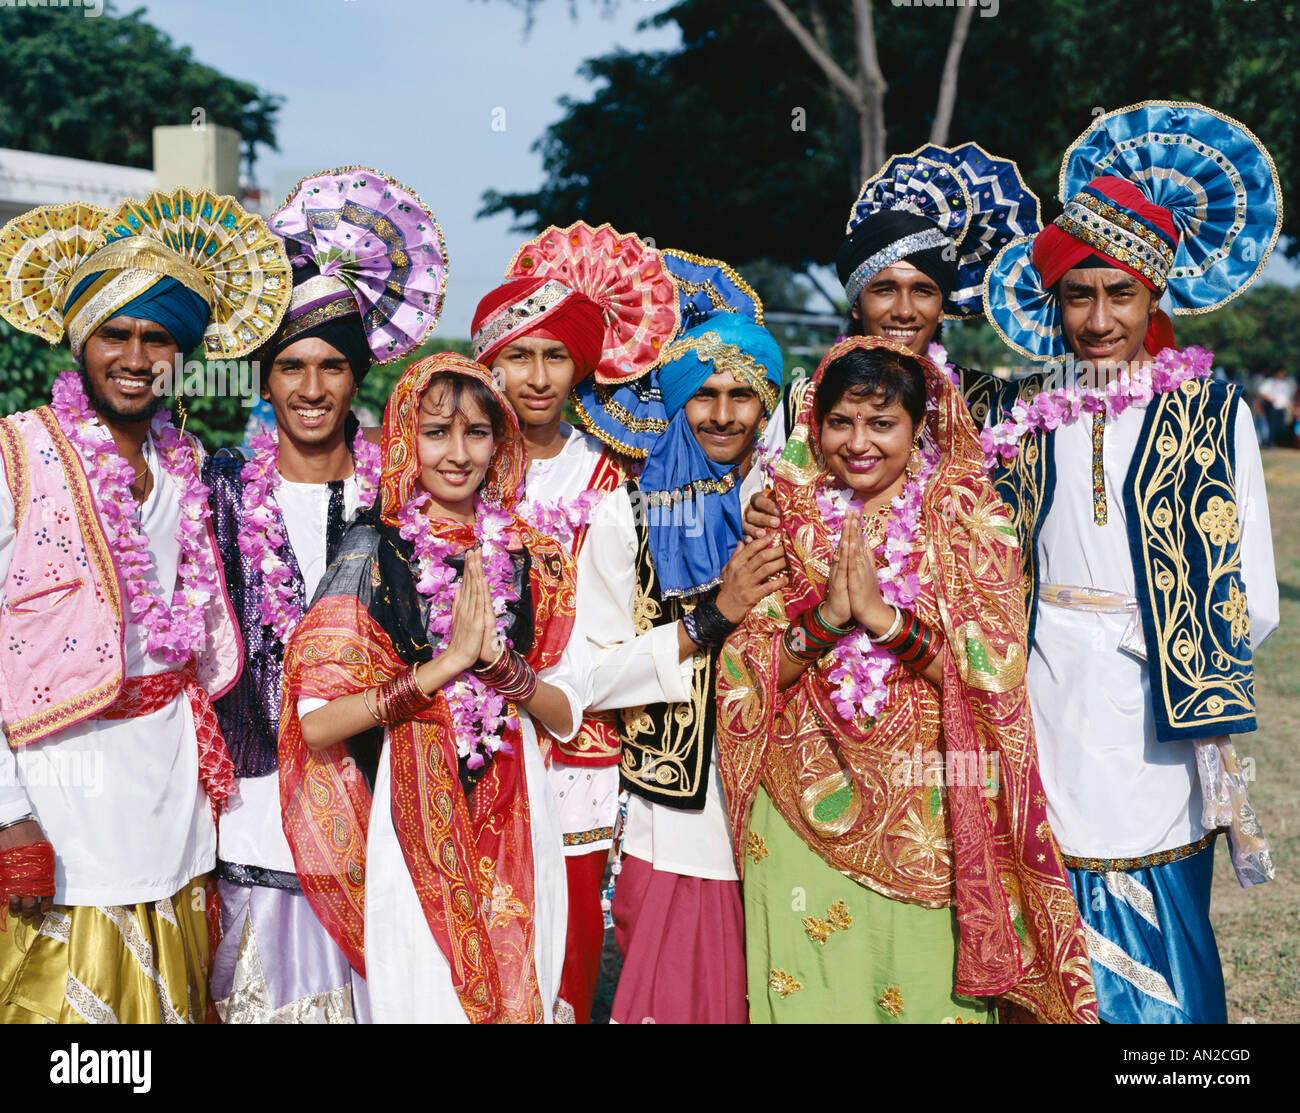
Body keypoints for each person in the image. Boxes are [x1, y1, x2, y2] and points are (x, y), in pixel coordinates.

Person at [981, 101, 1281, 1023]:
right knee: (1055, 886)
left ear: (1154, 297)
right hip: (1043, 685)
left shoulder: (1209, 410)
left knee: (1163, 892)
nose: (1100, 318)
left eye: (1121, 294)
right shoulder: (1016, 415)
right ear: (1056, 303)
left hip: (1159, 694)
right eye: (1080, 295)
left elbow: (1254, 587)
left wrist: (1180, 650)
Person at [714, 336, 1095, 1023]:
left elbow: (991, 675)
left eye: (882, 423)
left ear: (921, 427)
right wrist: (828, 621)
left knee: (922, 993)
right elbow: (746, 673)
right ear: (814, 424)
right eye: (841, 421)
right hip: (800, 803)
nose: (859, 443)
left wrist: (885, 622)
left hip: (934, 809)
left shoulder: (967, 519)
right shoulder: (782, 519)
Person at [0, 188, 291, 1022]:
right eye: (114, 333)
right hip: (57, 805)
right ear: (79, 340)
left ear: (181, 354)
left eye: (157, 337)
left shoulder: (188, 463)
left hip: (173, 808)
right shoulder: (19, 452)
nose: (134, 354)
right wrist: (7, 814)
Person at [278, 352, 592, 1023]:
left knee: (523, 987)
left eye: (476, 432)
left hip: (520, 816)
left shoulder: (535, 555)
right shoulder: (373, 549)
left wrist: (502, 670)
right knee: (425, 998)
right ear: (403, 437)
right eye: (436, 431)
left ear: (501, 441)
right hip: (411, 813)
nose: (457, 453)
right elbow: (317, 723)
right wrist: (442, 668)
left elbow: (565, 712)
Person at [204, 167, 446, 1022]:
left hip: (387, 816)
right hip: (258, 819)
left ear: (359, 378)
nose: (312, 388)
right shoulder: (218, 492)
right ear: (266, 379)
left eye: (332, 367)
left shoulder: (409, 499)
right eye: (292, 366)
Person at [470, 239, 664, 1022]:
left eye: (557, 355)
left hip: (573, 743)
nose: (539, 377)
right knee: (478, 939)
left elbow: (611, 628)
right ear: (491, 365)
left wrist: (547, 693)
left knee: (571, 947)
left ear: (581, 365)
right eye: (520, 357)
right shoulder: (459, 464)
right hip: (469, 743)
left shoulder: (609, 479)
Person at [576, 312, 787, 1023]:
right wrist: (708, 619)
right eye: (704, 394)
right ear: (675, 399)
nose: (724, 415)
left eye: (744, 393)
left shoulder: (796, 504)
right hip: (683, 817)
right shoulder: (624, 516)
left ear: (770, 403)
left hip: (792, 810)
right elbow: (593, 677)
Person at [747, 143, 1038, 535]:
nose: (904, 310)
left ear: (941, 304)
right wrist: (759, 511)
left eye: (923, 290)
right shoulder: (804, 400)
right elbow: (764, 504)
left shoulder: (985, 403)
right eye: (884, 289)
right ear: (856, 304)